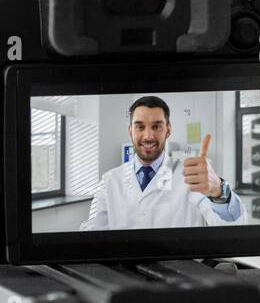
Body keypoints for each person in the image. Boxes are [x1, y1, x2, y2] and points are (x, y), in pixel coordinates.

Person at [81, 95, 246, 231]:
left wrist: (218, 191)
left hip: (184, 269)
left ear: (168, 130)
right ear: (130, 131)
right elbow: (92, 231)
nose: (148, 136)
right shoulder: (109, 180)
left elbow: (234, 227)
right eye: (140, 127)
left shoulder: (191, 177)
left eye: (156, 126)